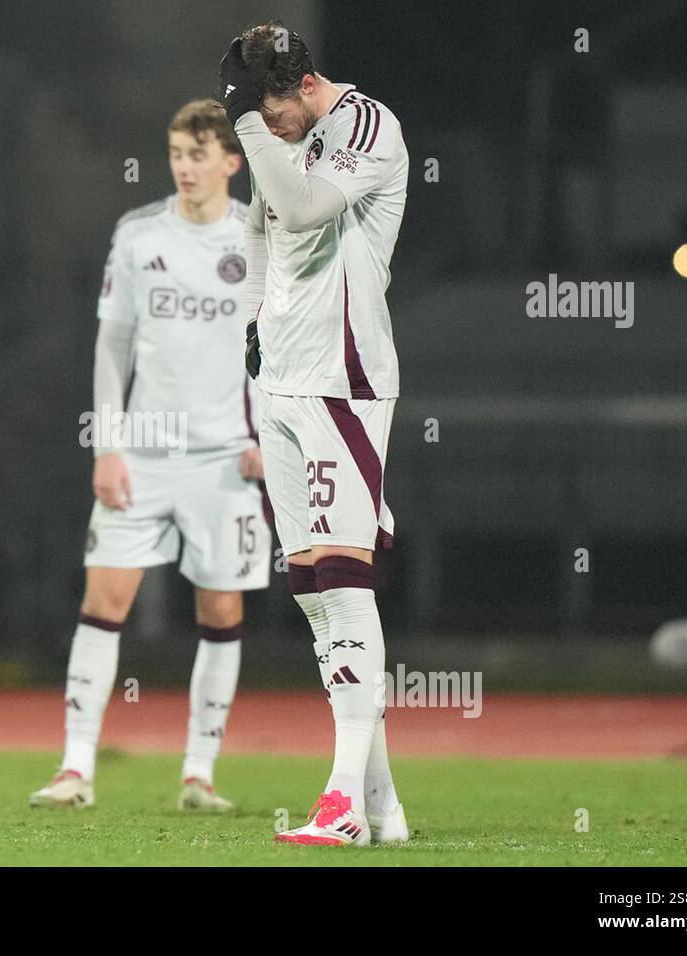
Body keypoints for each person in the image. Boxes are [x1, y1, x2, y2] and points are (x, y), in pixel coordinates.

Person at [30, 99, 271, 812]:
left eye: (199, 155)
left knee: (222, 609)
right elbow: (111, 346)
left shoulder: (260, 237)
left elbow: (278, 346)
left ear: (231, 161)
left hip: (227, 456)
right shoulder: (139, 235)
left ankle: (199, 773)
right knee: (104, 600)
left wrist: (268, 434)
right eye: (176, 154)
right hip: (144, 453)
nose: (185, 167)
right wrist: (108, 447)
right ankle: (76, 768)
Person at [217, 21, 409, 845]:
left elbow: (299, 200)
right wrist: (253, 329)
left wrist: (247, 125)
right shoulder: (274, 132)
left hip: (345, 378)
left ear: (301, 86)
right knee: (314, 598)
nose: (268, 129)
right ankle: (382, 806)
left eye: (272, 114)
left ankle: (340, 802)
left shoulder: (368, 125)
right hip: (283, 382)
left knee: (343, 578)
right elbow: (262, 227)